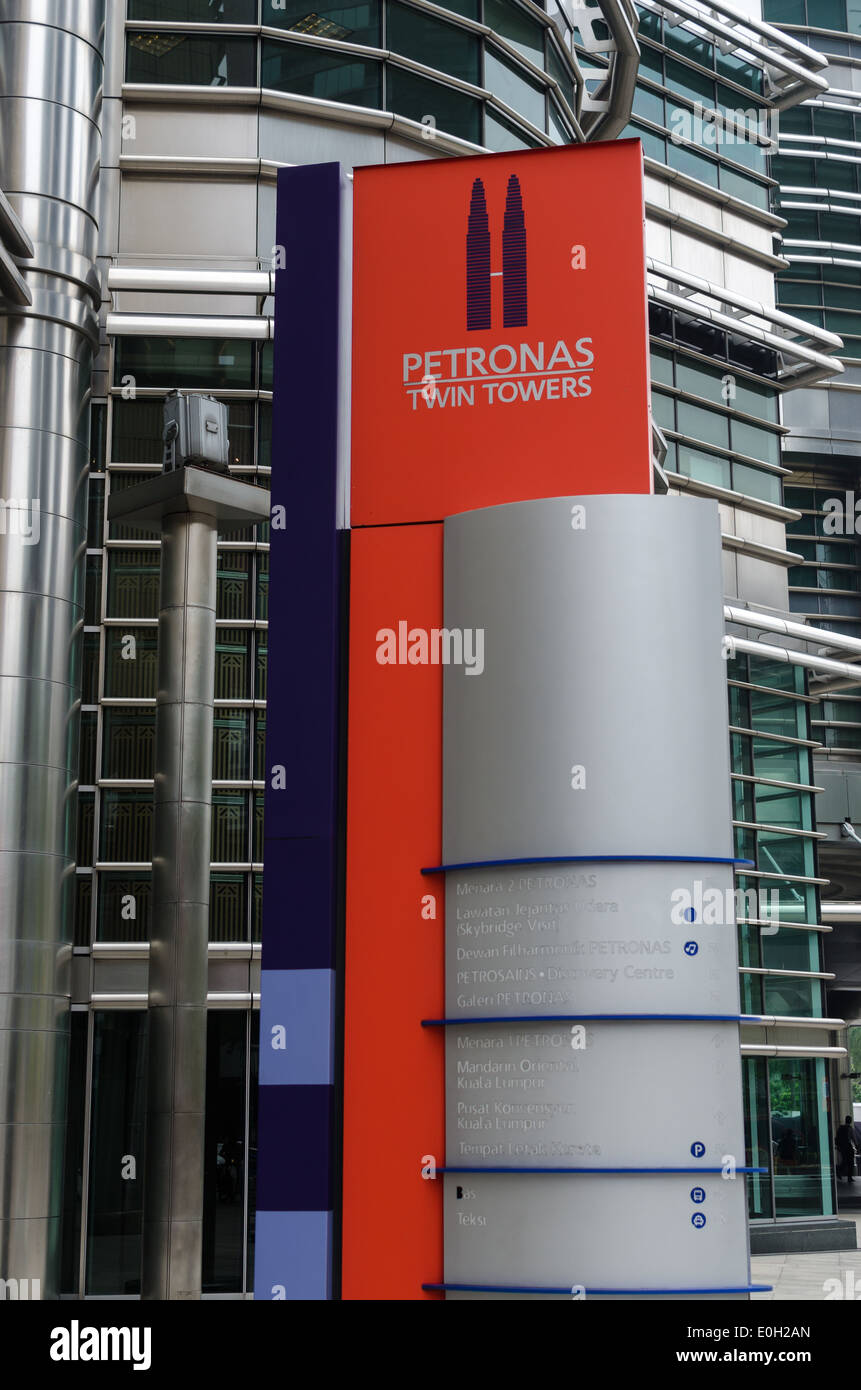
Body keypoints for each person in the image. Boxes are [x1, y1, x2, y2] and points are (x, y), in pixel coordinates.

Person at [835, 1115, 857, 1183]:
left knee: (844, 1161)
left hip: (841, 1147)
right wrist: (856, 1145)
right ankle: (849, 1177)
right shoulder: (850, 1128)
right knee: (850, 1162)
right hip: (848, 1147)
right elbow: (853, 1138)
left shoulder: (840, 1128)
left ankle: (838, 1170)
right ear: (850, 1121)